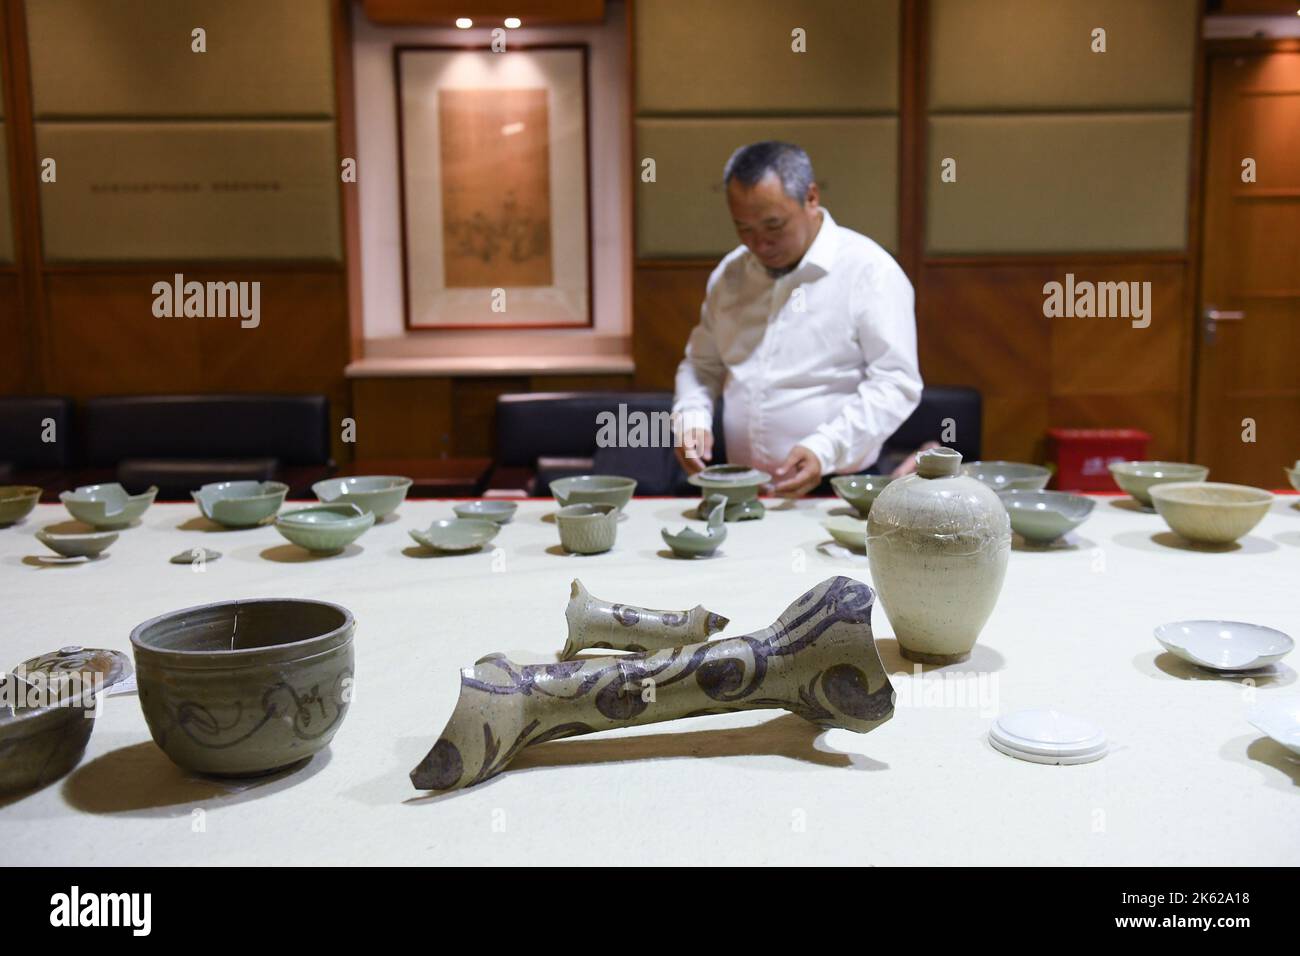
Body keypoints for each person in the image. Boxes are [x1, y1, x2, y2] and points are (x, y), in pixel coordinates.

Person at [672, 141, 923, 497]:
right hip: (741, 486)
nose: (759, 244)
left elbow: (896, 383)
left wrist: (826, 448)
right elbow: (701, 366)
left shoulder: (869, 271)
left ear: (811, 197)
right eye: (744, 228)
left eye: (773, 225)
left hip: (834, 487)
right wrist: (692, 417)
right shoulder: (730, 276)